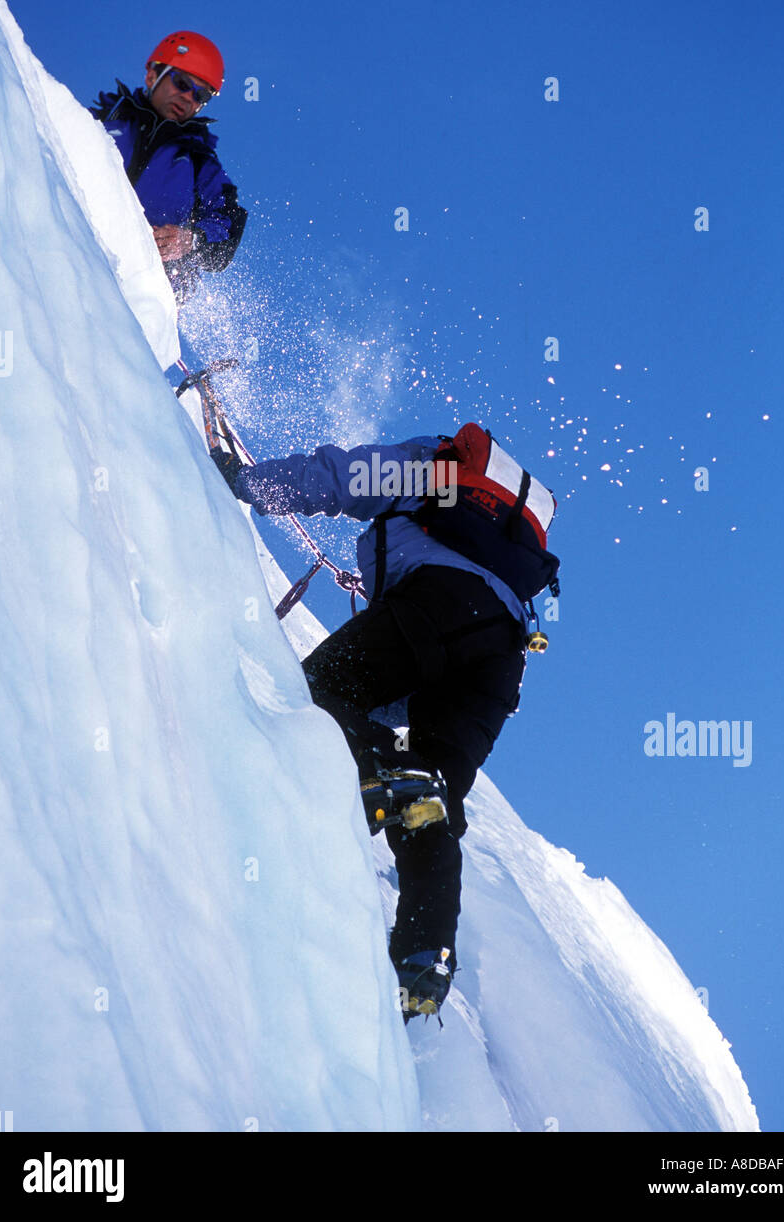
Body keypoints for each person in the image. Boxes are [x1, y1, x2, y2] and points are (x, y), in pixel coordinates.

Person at [211, 424, 559, 1022]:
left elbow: (339, 479)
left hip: (436, 602)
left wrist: (246, 482)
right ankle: (423, 960)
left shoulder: (430, 463)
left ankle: (388, 778)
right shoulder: (512, 540)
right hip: (502, 663)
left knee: (317, 692)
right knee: (433, 797)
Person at [90, 31, 247, 302]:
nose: (188, 98)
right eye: (182, 82)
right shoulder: (100, 124)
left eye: (200, 95)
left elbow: (228, 226)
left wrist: (191, 240)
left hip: (138, 301)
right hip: (78, 255)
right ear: (152, 75)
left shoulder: (198, 163)